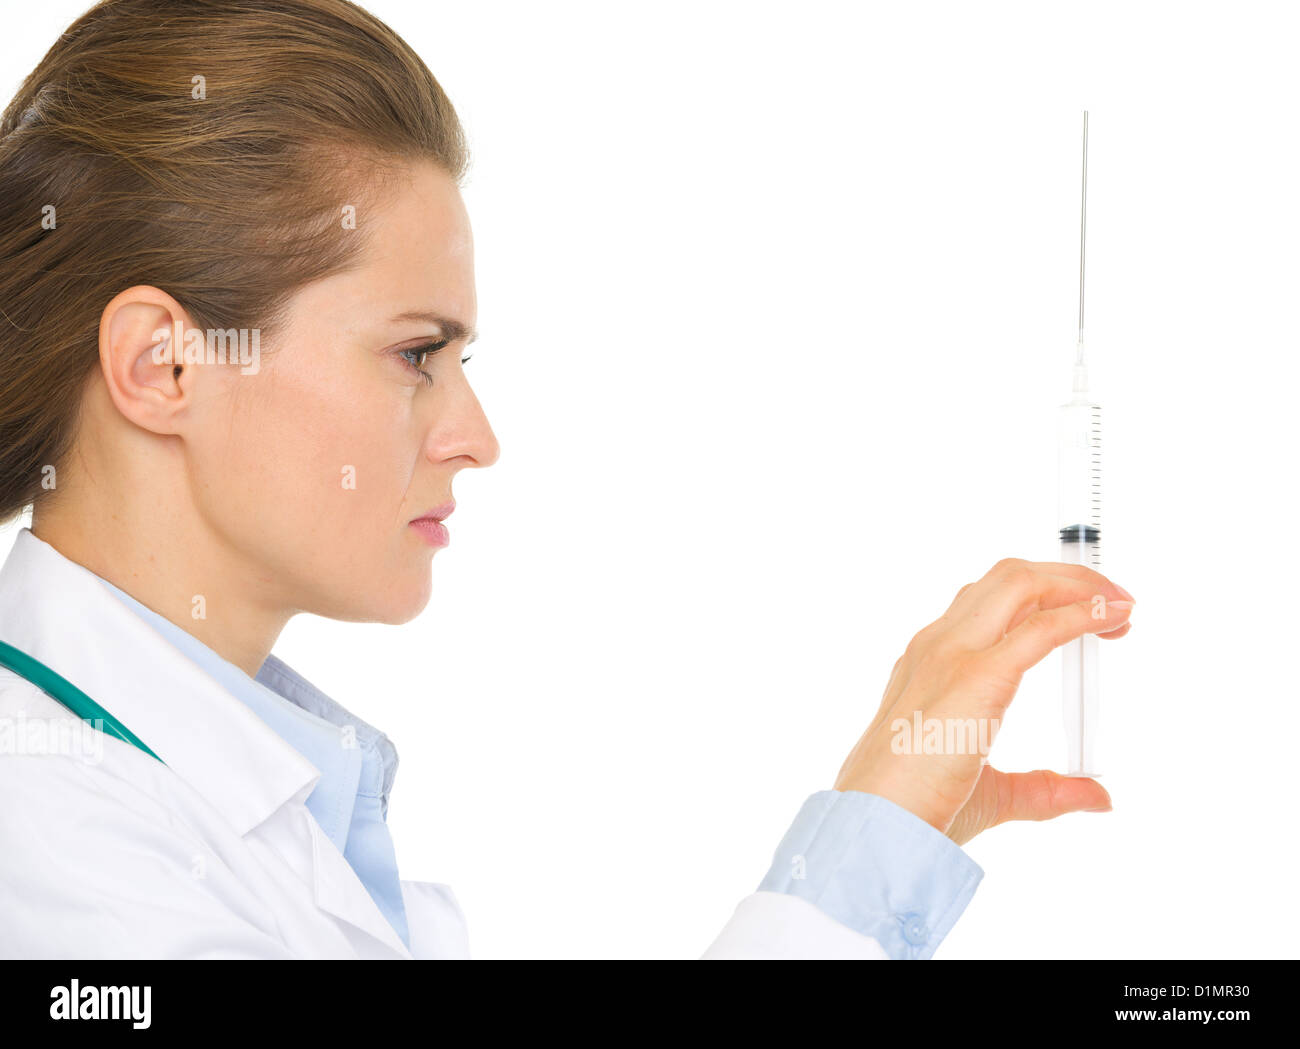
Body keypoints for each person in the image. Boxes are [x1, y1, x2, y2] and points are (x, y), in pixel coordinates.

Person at [0, 0, 1133, 960]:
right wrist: (866, 844)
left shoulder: (231, 793)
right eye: (414, 354)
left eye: (461, 360)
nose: (476, 435)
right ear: (164, 363)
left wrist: (883, 816)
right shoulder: (58, 847)